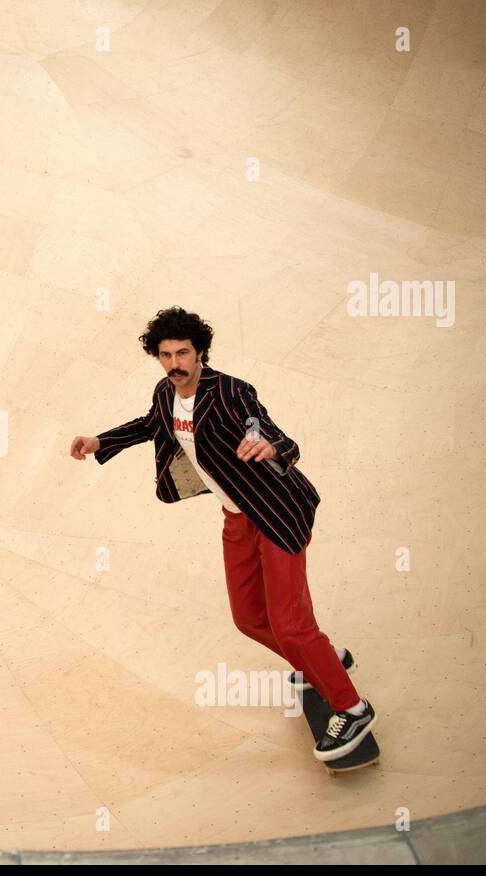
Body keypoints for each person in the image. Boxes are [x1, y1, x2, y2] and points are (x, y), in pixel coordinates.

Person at [69, 307, 376, 761]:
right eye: (165, 354)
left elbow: (265, 428)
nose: (175, 363)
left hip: (276, 510)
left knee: (290, 625)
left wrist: (273, 446)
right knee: (249, 618)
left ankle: (351, 707)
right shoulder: (165, 393)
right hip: (236, 517)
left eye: (183, 353)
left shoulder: (231, 392)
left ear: (200, 353)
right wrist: (100, 441)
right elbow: (151, 424)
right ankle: (324, 657)